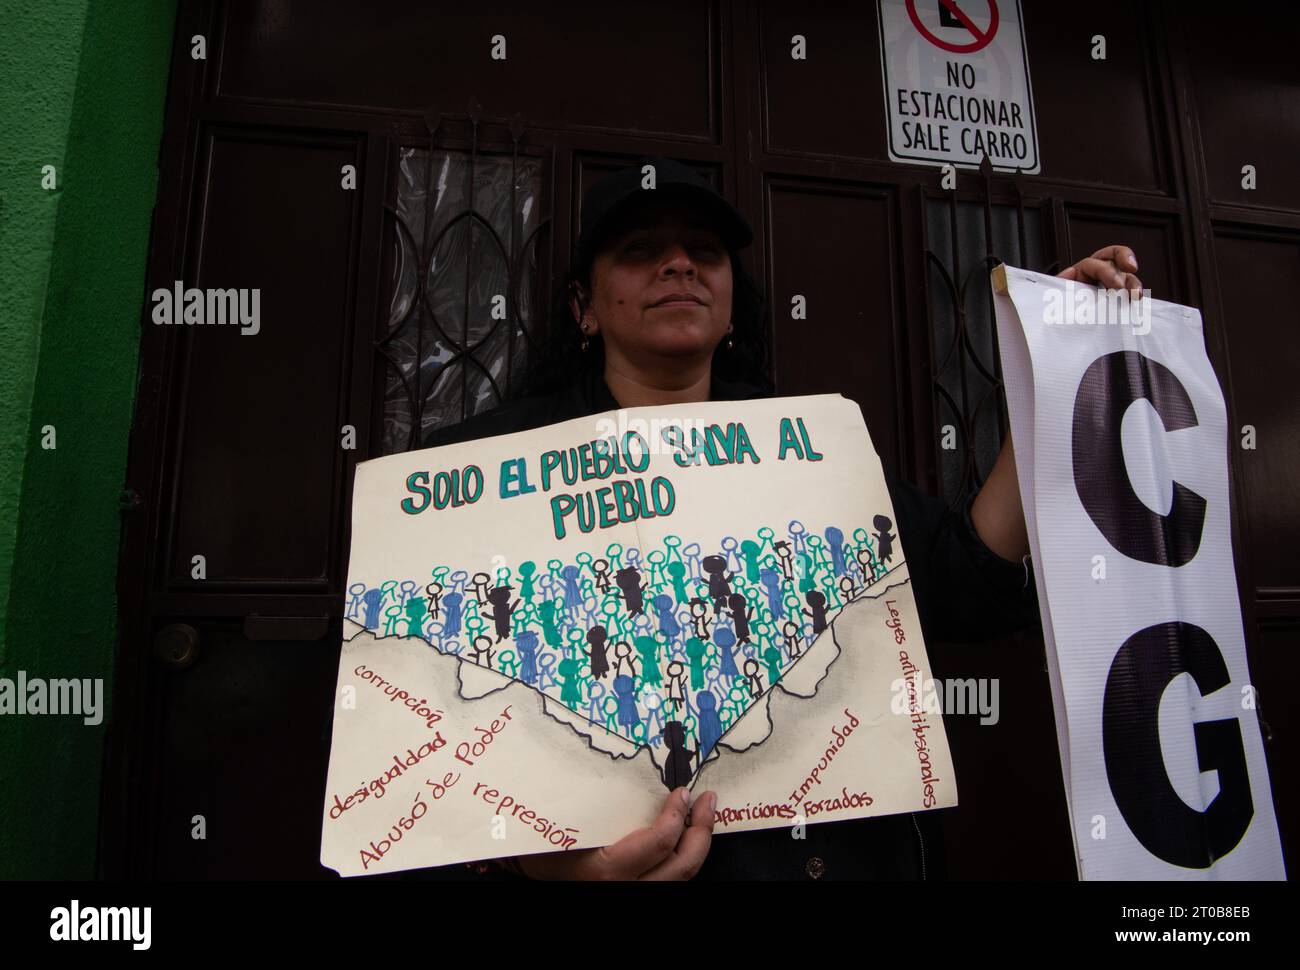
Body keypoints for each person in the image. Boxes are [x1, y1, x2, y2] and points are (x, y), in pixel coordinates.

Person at [418, 156, 1144, 880]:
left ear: (732, 301)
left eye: (705, 251)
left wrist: (1049, 370)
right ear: (583, 304)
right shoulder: (488, 469)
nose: (678, 265)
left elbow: (968, 580)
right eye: (641, 250)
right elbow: (424, 745)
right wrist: (527, 867)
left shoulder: (811, 448)